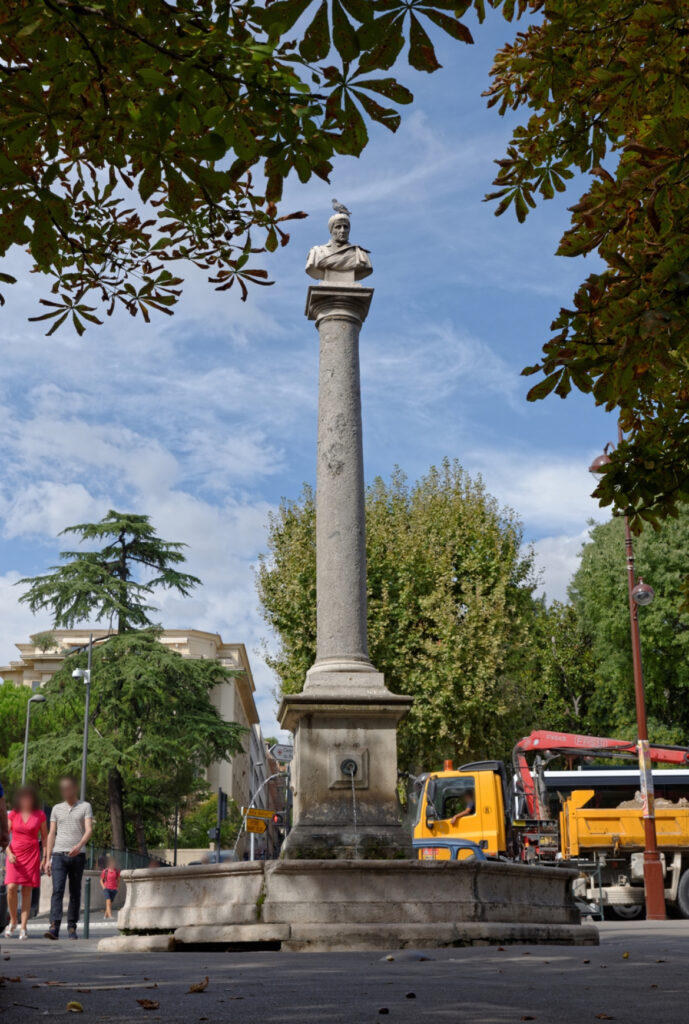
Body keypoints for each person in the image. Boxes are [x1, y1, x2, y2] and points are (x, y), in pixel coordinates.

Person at [44, 776, 93, 940]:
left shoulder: (85, 806)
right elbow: (51, 834)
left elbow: (89, 830)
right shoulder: (56, 808)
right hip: (59, 854)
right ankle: (54, 926)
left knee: (75, 891)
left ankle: (72, 927)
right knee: (57, 890)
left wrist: (79, 846)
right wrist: (47, 859)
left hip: (78, 855)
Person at [4, 786, 47, 940]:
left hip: (32, 855)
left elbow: (45, 837)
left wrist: (45, 857)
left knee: (27, 891)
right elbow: (4, 836)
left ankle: (23, 927)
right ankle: (13, 920)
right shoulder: (13, 814)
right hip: (14, 855)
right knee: (11, 887)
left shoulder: (40, 815)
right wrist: (9, 853)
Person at [305, 213, 372, 282]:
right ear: (331, 230)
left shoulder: (360, 254)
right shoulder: (317, 251)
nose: (342, 231)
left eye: (345, 227)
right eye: (338, 227)